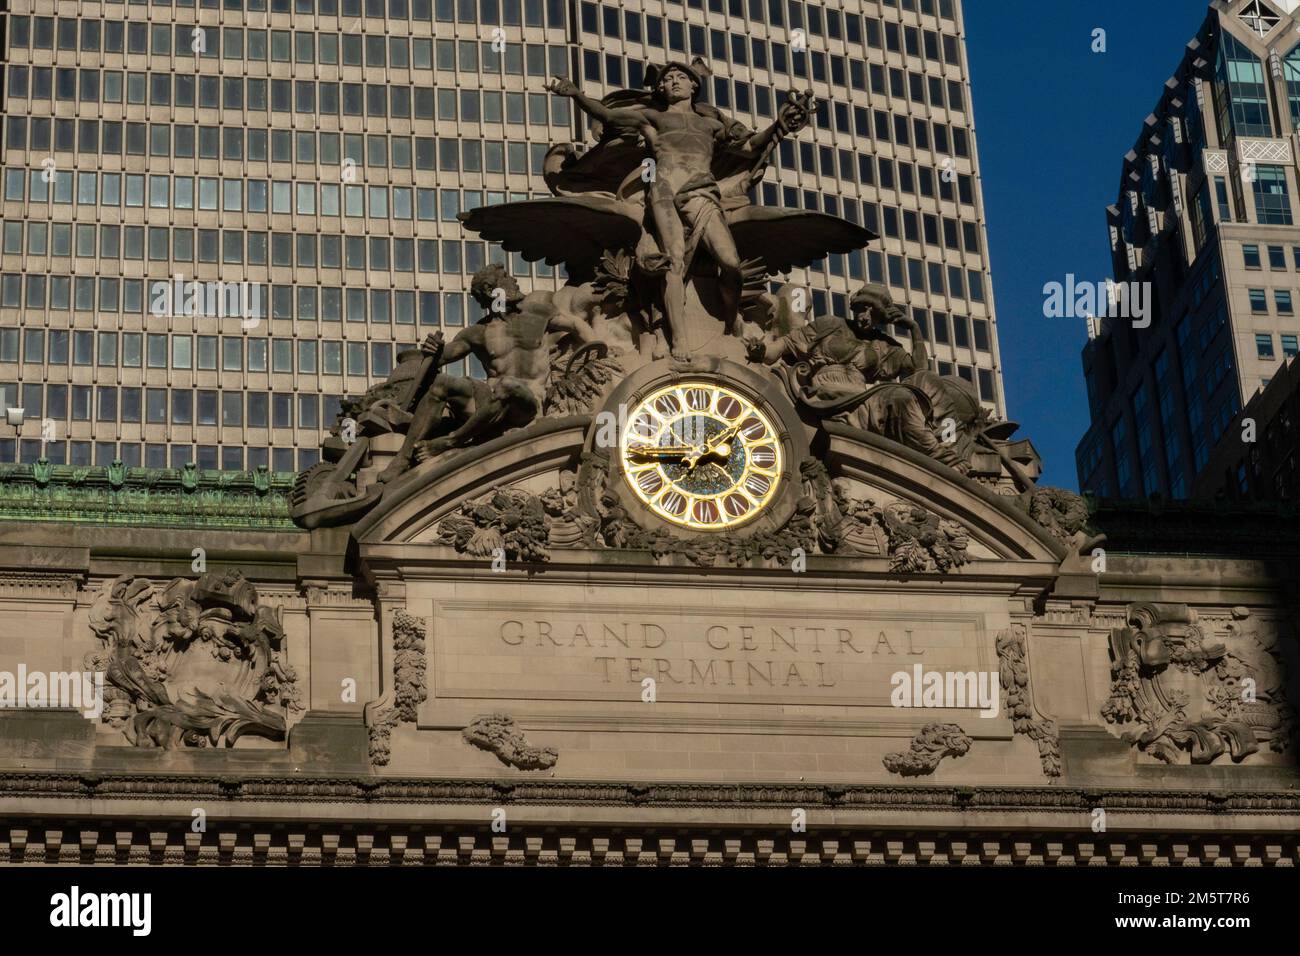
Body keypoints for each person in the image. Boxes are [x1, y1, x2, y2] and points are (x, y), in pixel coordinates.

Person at [544, 64, 812, 358]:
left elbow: (749, 146)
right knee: (674, 262)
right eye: (667, 79)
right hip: (664, 192)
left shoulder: (711, 125)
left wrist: (780, 124)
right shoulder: (653, 118)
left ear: (693, 86)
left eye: (680, 78)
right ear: (660, 89)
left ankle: (730, 320)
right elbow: (608, 115)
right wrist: (576, 95)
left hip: (701, 193)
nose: (673, 82)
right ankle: (678, 340)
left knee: (731, 263)